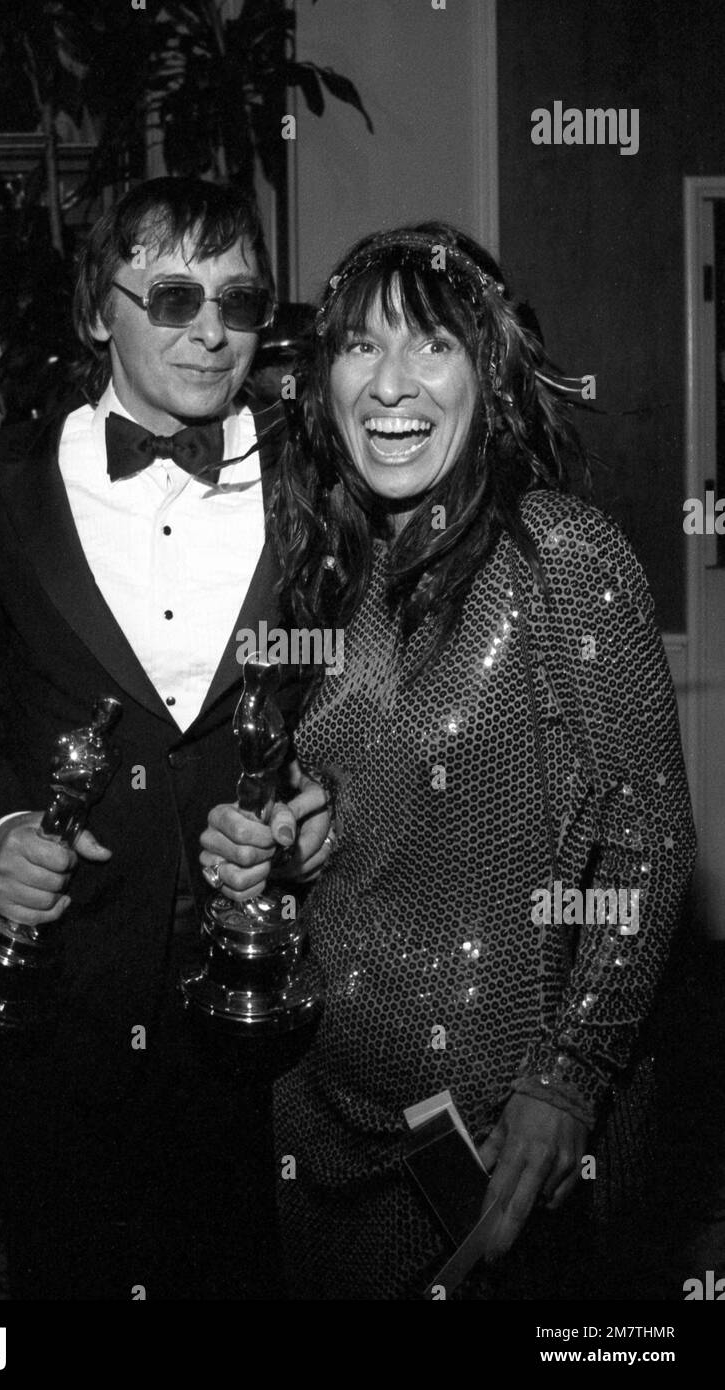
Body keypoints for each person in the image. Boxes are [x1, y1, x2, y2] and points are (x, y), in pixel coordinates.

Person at [200, 221, 697, 1299]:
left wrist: (569, 1075)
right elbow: (360, 791)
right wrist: (292, 838)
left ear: (492, 373)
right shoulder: (327, 564)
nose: (390, 382)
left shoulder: (560, 552)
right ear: (322, 378)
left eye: (432, 345)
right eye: (359, 346)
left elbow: (650, 839)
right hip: (321, 1099)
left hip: (499, 1132)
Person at [0, 177, 330, 1300]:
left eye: (240, 301)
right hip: (67, 995)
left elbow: (365, 692)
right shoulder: (2, 482)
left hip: (261, 991)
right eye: (173, 294)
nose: (212, 327)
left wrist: (318, 803)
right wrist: (0, 826)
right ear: (98, 310)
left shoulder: (319, 481)